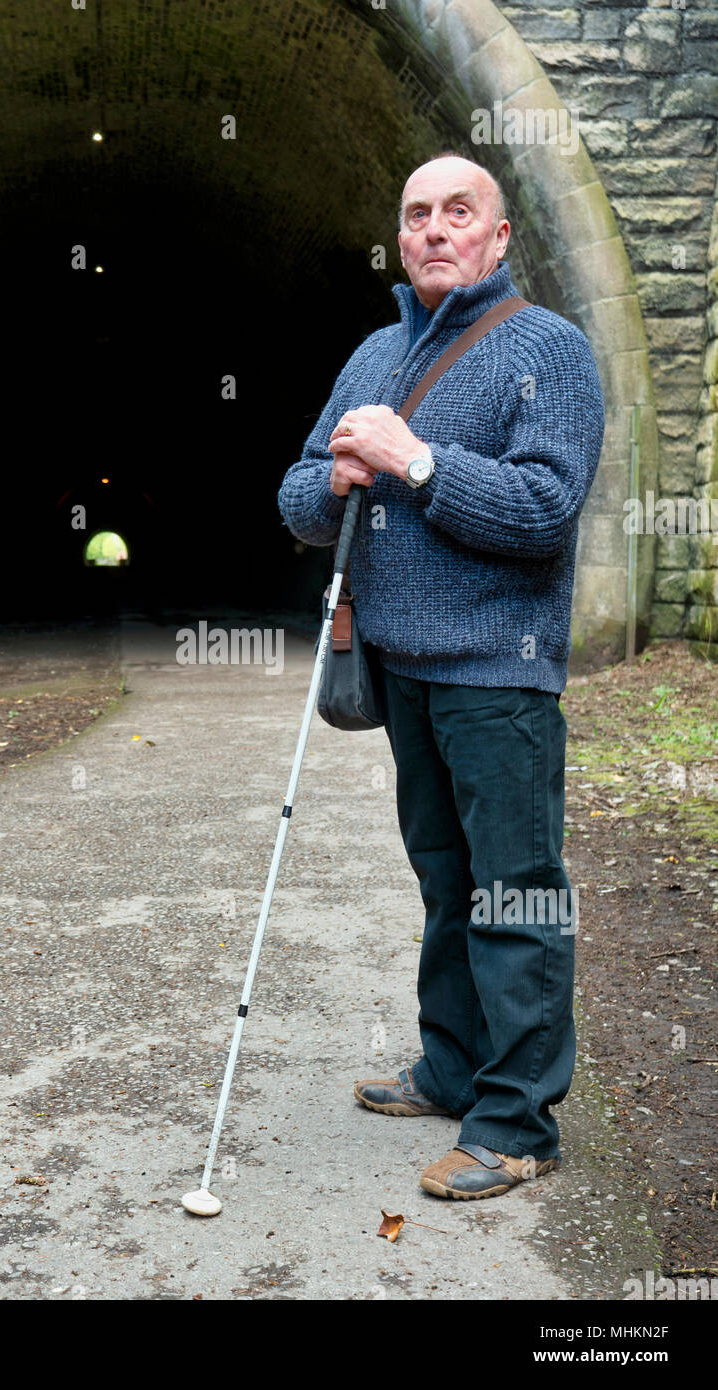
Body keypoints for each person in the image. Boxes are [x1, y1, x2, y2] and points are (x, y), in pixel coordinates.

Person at [277, 152, 605, 1200]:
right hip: (403, 671)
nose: (433, 229)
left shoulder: (550, 351)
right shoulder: (375, 353)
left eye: (458, 212)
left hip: (500, 677)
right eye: (417, 213)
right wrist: (332, 479)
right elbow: (292, 499)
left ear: (499, 237)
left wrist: (415, 461)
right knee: (445, 882)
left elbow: (545, 512)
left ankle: (516, 1123)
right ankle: (456, 1066)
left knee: (516, 890)